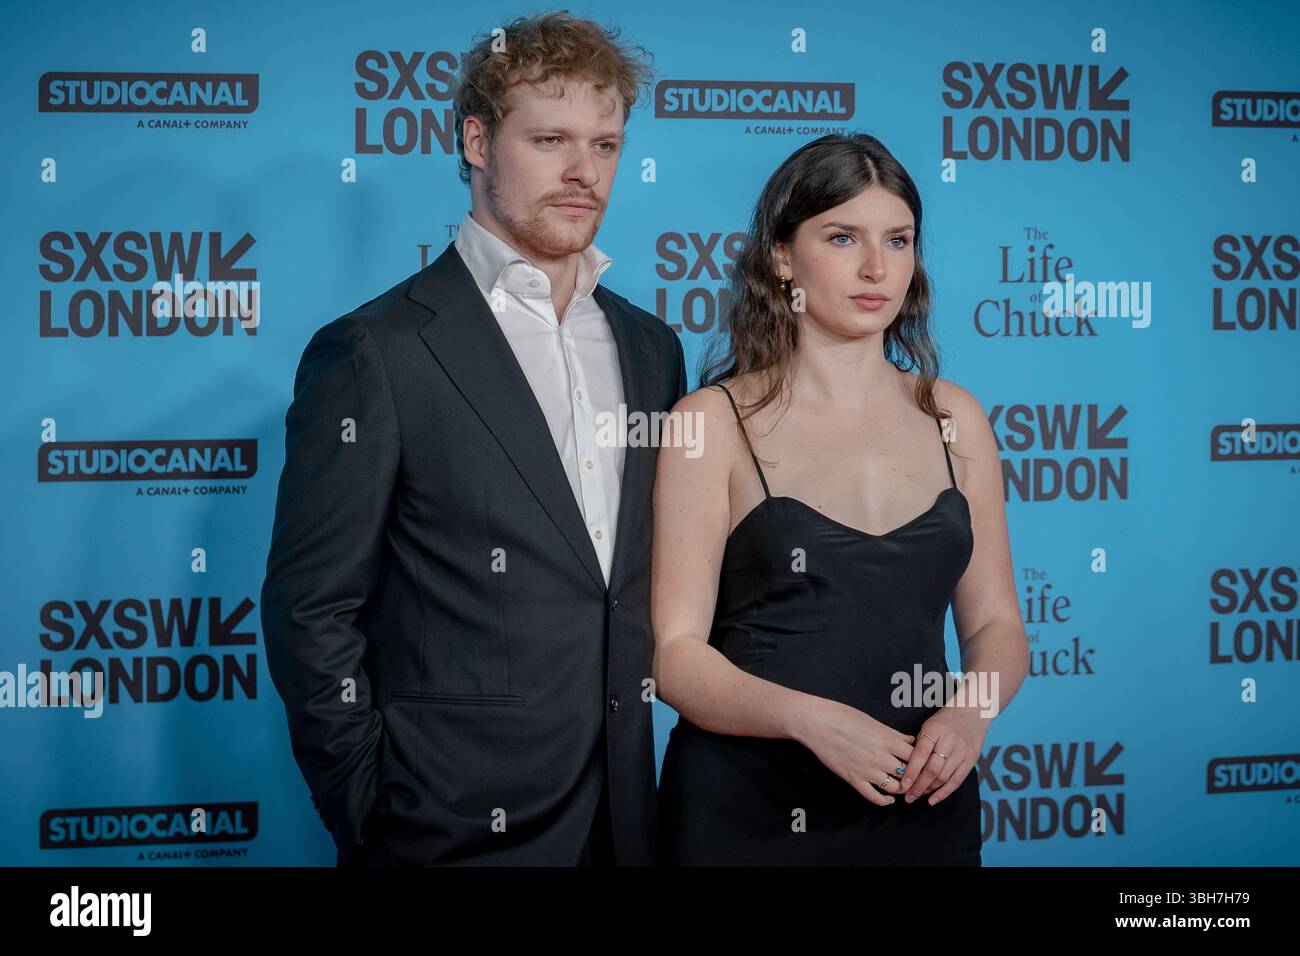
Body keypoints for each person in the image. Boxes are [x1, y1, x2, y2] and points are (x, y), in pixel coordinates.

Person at [260, 12, 681, 866]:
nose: (581, 172)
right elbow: (310, 610)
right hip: (442, 830)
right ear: (478, 141)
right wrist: (374, 809)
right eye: (551, 139)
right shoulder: (376, 351)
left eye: (605, 145)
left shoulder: (651, 348)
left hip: (628, 823)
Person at [651, 133, 1030, 865]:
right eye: (842, 237)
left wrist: (970, 713)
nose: (875, 268)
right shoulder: (710, 421)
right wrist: (811, 721)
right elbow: (674, 655)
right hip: (747, 809)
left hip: (922, 802)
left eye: (898, 239)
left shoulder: (956, 417)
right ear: (781, 257)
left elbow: (996, 622)